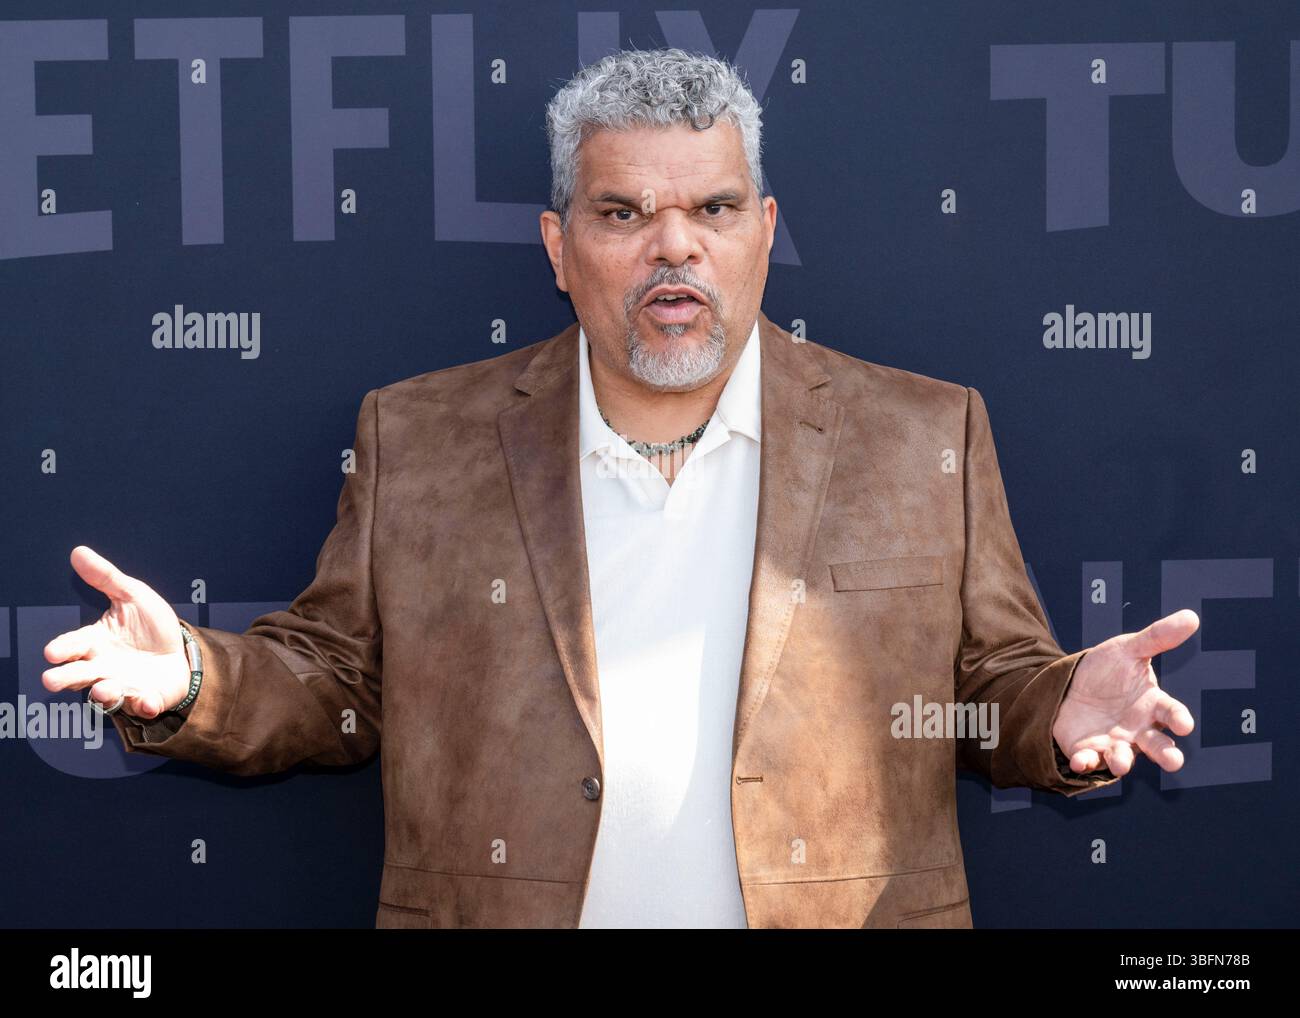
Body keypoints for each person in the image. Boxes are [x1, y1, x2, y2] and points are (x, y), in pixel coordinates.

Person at [42, 47, 1196, 929]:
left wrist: (1058, 710)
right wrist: (192, 675)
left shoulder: (922, 430)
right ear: (557, 247)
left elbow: (985, 686)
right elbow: (339, 681)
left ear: (763, 230)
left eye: (712, 208)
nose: (674, 247)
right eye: (623, 213)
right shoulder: (422, 435)